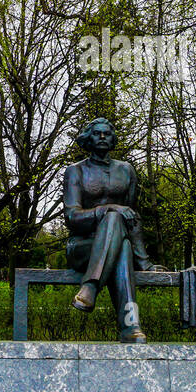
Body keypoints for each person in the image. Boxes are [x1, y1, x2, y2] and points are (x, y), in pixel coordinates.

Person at [62, 117, 150, 343]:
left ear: (113, 139)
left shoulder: (126, 170)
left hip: (118, 244)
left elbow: (132, 217)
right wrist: (107, 209)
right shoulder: (75, 171)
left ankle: (90, 288)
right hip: (82, 247)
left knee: (123, 244)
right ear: (87, 139)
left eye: (107, 133)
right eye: (96, 133)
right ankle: (130, 324)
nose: (102, 137)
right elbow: (72, 217)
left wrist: (144, 262)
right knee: (113, 220)